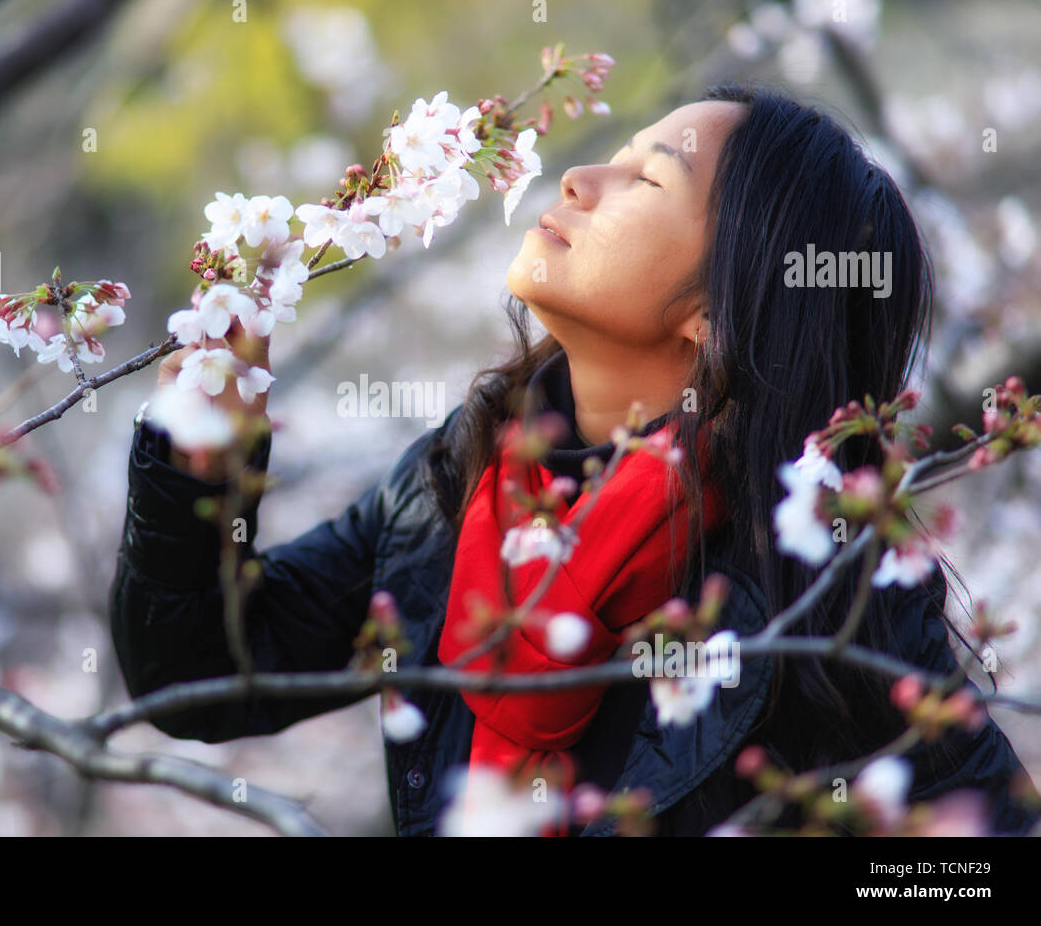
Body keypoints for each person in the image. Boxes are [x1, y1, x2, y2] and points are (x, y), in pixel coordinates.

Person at [108, 83, 1041, 836]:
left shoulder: (831, 584)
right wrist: (206, 441)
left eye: (648, 179)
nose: (579, 178)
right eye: (616, 152)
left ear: (720, 309)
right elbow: (203, 679)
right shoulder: (458, 483)